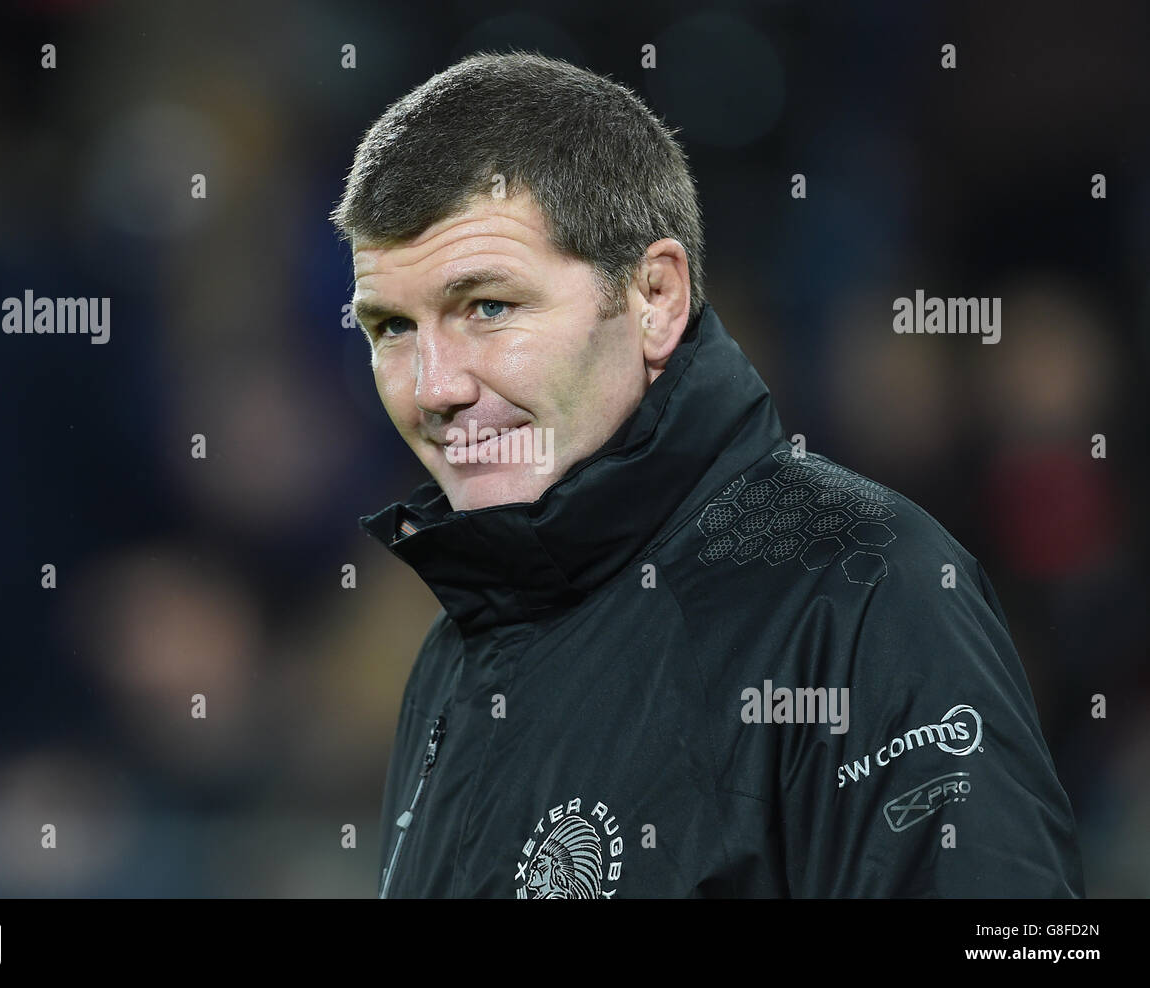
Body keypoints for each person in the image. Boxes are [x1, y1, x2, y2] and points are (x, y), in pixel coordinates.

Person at [329, 51, 1085, 898]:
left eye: (489, 307)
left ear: (655, 297)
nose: (434, 387)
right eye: (392, 328)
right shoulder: (457, 652)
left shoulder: (869, 592)